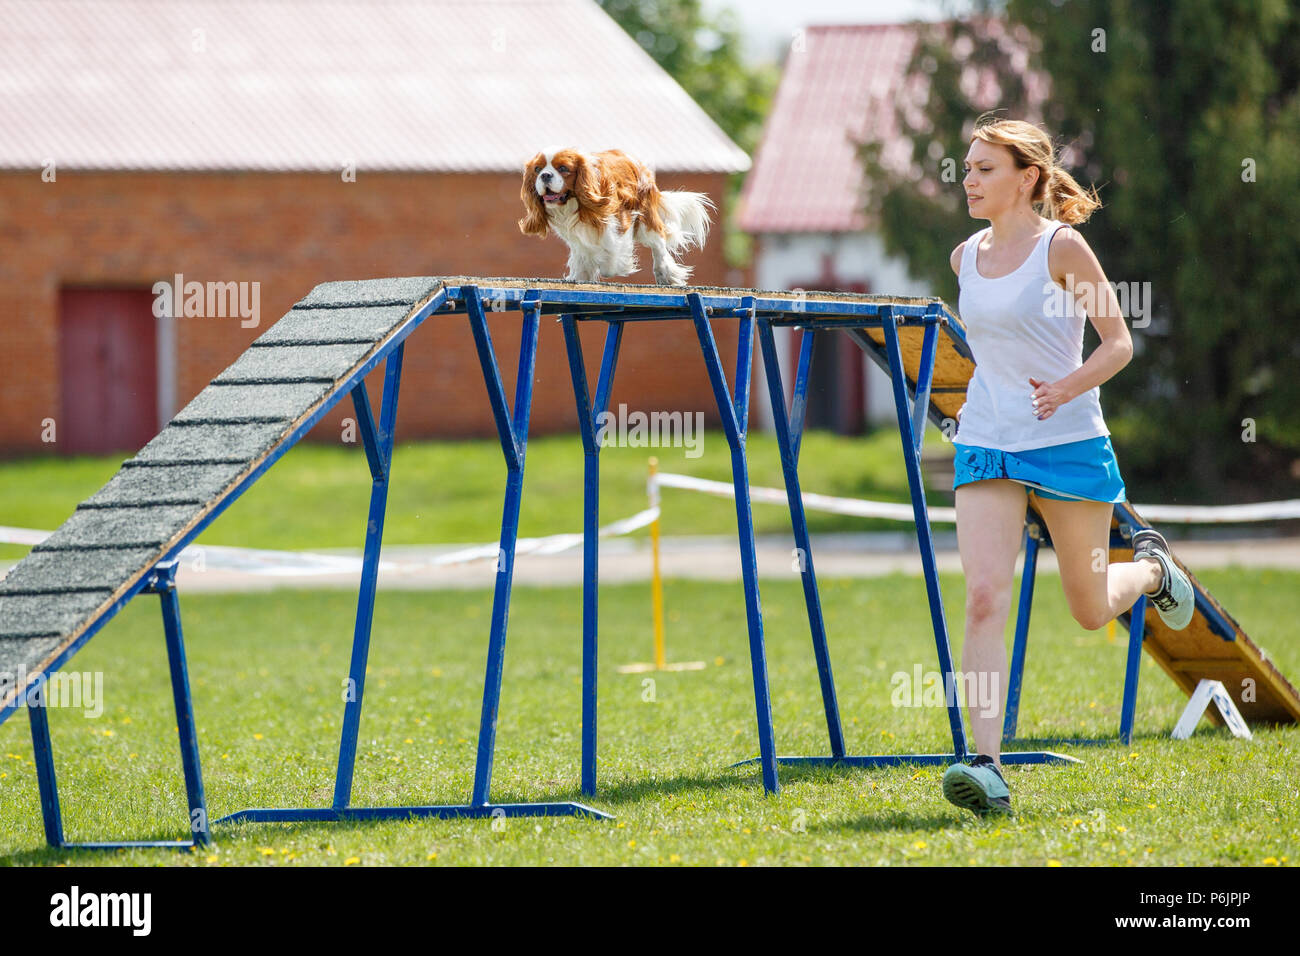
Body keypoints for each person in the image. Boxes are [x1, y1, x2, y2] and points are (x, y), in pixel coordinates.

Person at [939, 115, 1195, 818]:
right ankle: (985, 766)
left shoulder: (1064, 248)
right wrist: (975, 407)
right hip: (987, 442)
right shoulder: (965, 257)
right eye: (967, 167)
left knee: (1088, 611)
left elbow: (1117, 344)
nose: (969, 179)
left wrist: (1065, 388)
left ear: (1027, 178)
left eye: (985, 169)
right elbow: (991, 351)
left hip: (1067, 443)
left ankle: (1149, 570)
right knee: (984, 596)